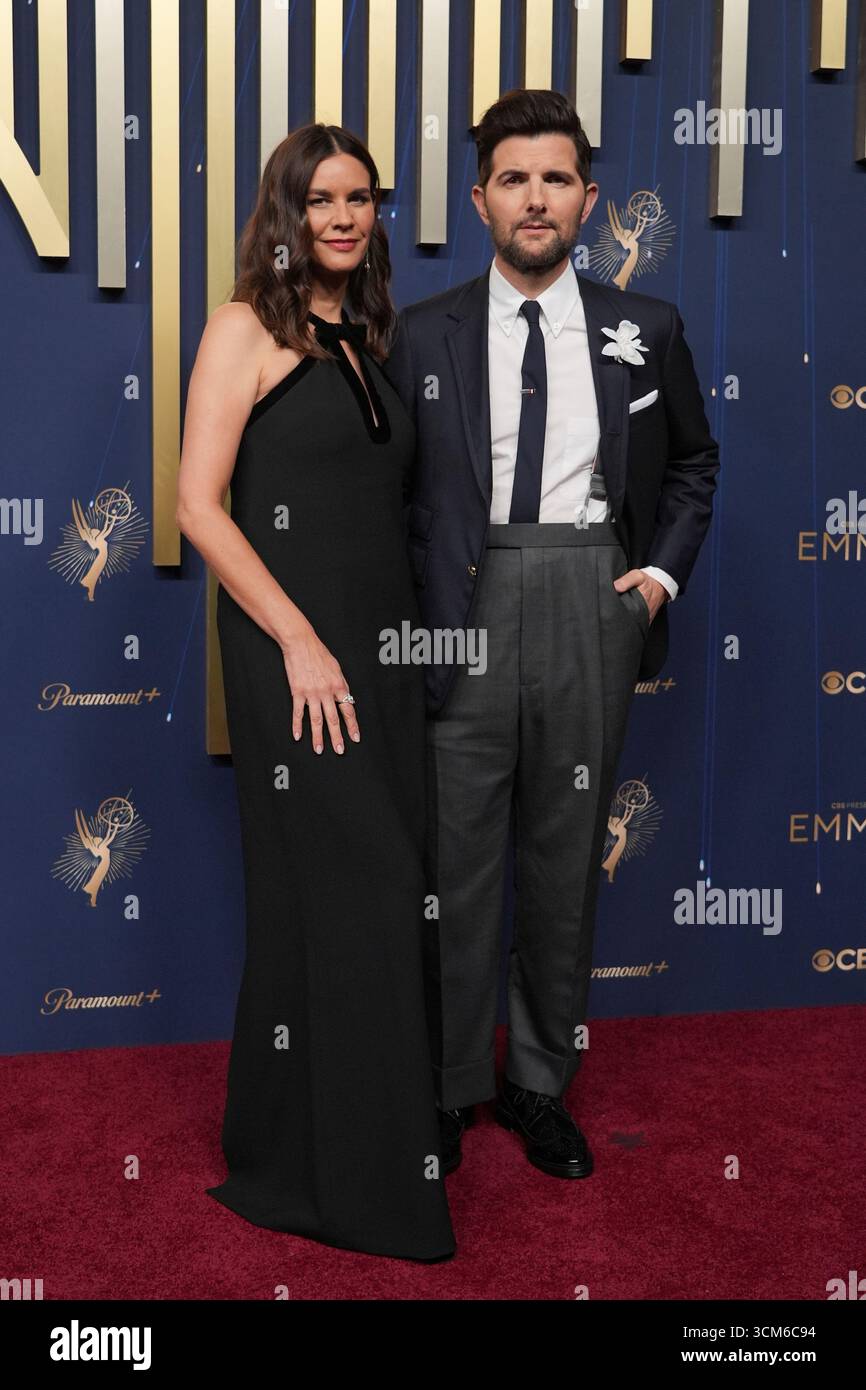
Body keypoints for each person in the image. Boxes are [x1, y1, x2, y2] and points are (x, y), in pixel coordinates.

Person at [384, 89, 720, 1178]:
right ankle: (442, 1089)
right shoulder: (420, 330)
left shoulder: (645, 327)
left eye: (558, 178)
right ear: (478, 197)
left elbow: (689, 465)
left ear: (588, 199)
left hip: (590, 596)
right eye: (514, 178)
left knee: (563, 859)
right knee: (454, 862)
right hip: (456, 611)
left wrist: (653, 583)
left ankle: (535, 1083)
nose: (537, 198)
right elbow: (386, 493)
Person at [176, 124, 455, 1261]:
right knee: (369, 893)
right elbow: (198, 504)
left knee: (346, 903)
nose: (343, 217)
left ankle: (293, 1145)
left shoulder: (368, 337)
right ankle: (352, 1183)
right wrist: (297, 640)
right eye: (320, 199)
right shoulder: (242, 329)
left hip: (376, 658)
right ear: (283, 214)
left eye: (360, 199)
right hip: (298, 659)